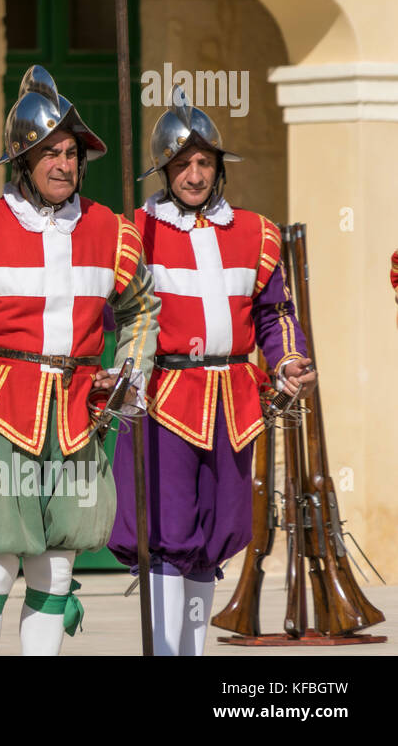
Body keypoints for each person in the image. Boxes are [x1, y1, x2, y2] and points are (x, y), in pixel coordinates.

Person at [0, 65, 159, 656]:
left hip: (77, 413)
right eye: (49, 153)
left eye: (70, 152)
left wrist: (129, 373)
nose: (63, 164)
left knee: (57, 569)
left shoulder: (113, 232)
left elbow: (142, 307)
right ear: (23, 160)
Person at [108, 84, 313, 655]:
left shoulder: (257, 233)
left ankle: (192, 653)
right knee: (165, 534)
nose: (194, 175)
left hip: (234, 400)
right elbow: (107, 312)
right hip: (162, 395)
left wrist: (287, 359)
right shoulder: (133, 234)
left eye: (204, 162)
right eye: (181, 164)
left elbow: (275, 314)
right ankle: (165, 652)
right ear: (163, 170)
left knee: (215, 537)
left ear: (218, 168)